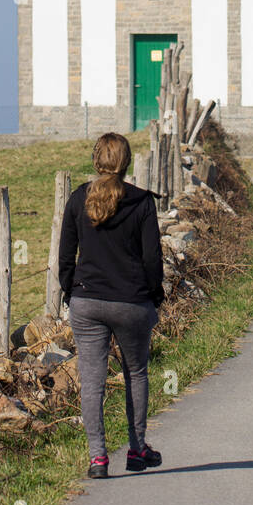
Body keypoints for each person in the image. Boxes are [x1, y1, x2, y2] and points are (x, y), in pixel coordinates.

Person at [58, 132, 165, 479]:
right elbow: (152, 260)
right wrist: (155, 295)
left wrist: (70, 292)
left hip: (87, 302)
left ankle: (98, 458)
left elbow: (64, 258)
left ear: (95, 161)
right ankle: (136, 450)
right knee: (136, 372)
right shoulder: (142, 203)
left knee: (92, 382)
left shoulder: (77, 200)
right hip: (132, 302)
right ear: (127, 162)